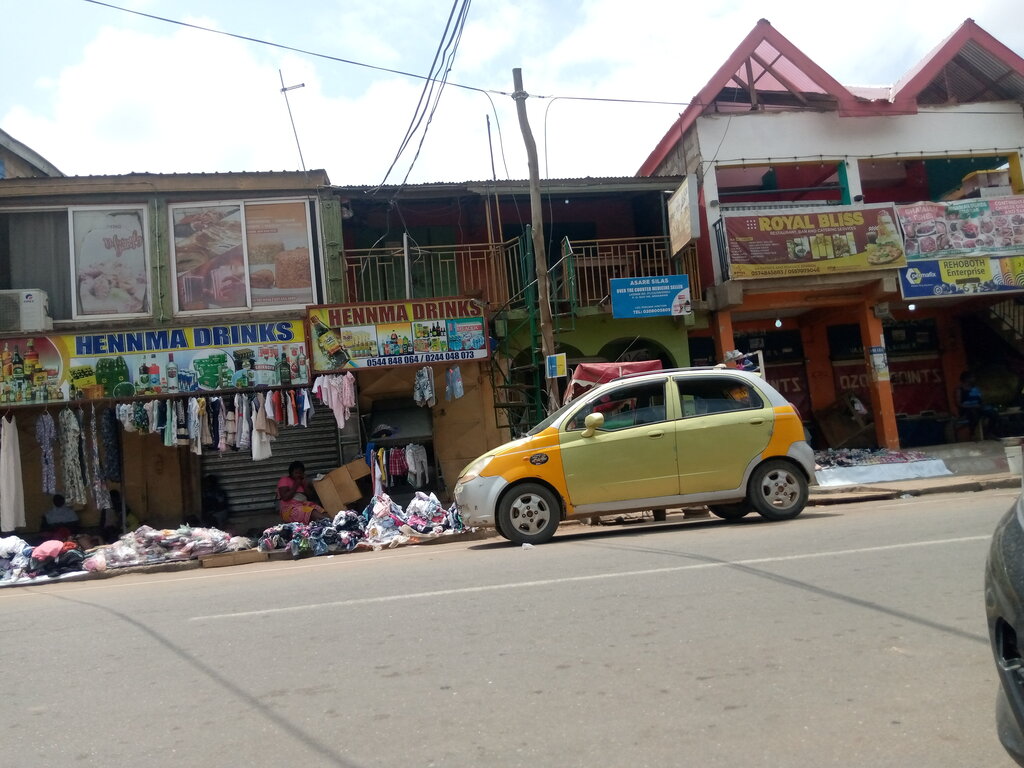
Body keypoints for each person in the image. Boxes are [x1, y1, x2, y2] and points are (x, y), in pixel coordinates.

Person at [956, 371, 997, 438]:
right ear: (967, 379)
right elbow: (959, 404)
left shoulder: (975, 388)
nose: (974, 379)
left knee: (993, 413)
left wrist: (983, 404)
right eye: (972, 377)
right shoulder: (959, 390)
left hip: (979, 408)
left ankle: (989, 432)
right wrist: (972, 406)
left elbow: (980, 400)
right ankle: (972, 434)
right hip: (967, 410)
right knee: (973, 414)